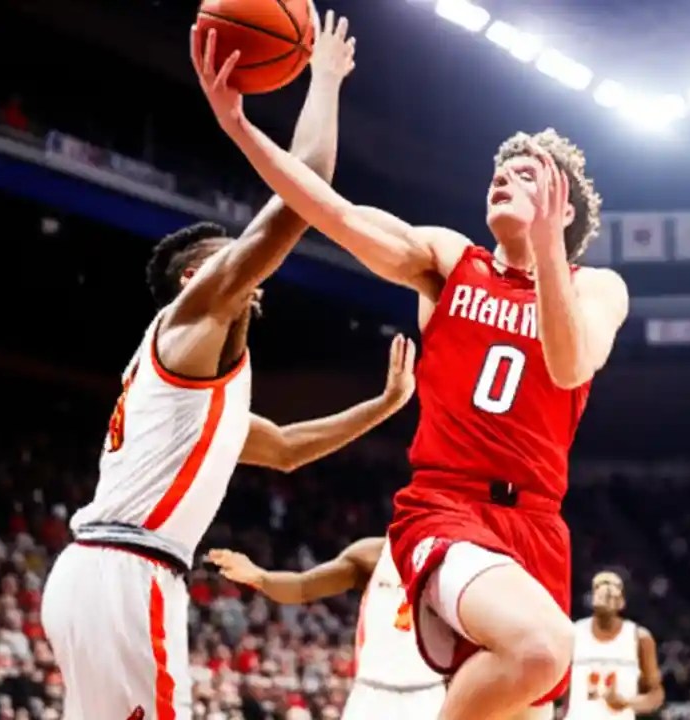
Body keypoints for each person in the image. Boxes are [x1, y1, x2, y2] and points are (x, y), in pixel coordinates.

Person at [193, 25, 629, 720]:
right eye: (500, 171)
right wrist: (240, 128)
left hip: (537, 528)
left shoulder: (597, 287)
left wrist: (549, 254)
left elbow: (569, 361)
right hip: (447, 510)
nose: (503, 177)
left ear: (563, 208)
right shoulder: (449, 262)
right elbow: (332, 213)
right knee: (545, 648)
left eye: (526, 174)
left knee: (532, 695)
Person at [39, 15, 417, 720]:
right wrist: (323, 80)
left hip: (103, 572)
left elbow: (286, 449)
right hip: (126, 573)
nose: (249, 269)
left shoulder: (197, 392)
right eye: (229, 258)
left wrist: (383, 406)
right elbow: (306, 193)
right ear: (194, 278)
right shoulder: (191, 318)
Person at [206, 538, 446, 719]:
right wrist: (259, 576)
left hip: (430, 692)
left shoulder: (457, 560)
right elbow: (302, 587)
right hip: (370, 691)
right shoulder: (373, 554)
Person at [564, 572, 664, 720]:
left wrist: (627, 703)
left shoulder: (639, 637)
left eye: (612, 589)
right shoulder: (573, 633)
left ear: (621, 601)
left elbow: (656, 694)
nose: (606, 591)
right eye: (600, 588)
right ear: (591, 598)